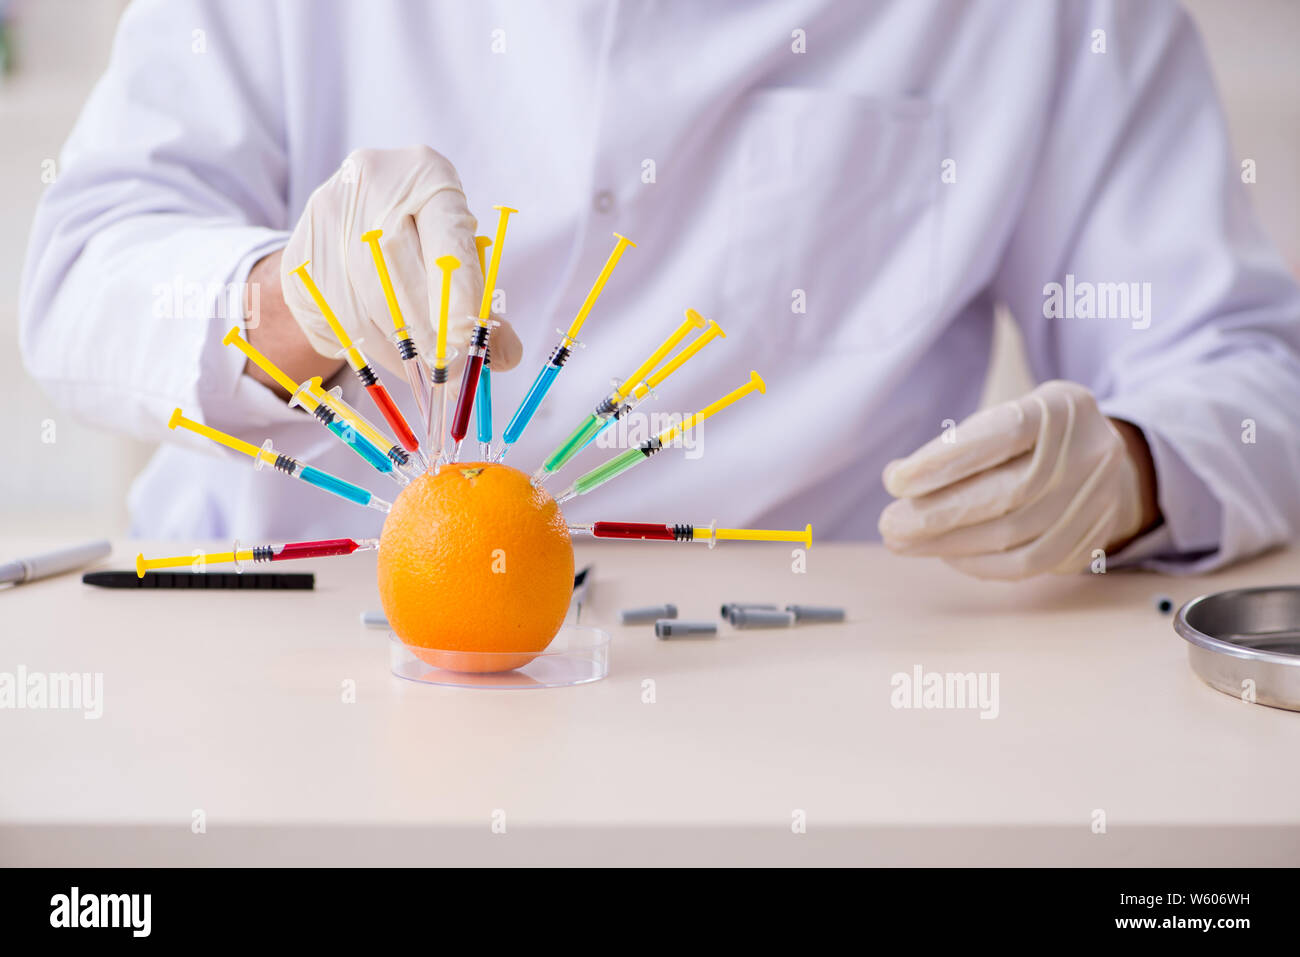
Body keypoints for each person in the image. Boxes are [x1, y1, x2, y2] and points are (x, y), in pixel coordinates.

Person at [20, 0, 1300, 580]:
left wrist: (1131, 468)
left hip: (799, 695)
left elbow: (1248, 371)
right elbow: (78, 273)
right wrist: (281, 304)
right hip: (259, 652)